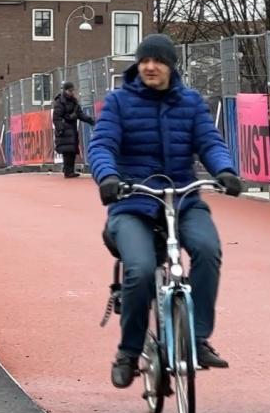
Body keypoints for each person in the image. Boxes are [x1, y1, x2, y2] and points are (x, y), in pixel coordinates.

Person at [88, 33, 245, 388]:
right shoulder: (118, 103)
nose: (150, 67)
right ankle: (128, 352)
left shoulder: (190, 103)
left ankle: (198, 337)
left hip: (183, 199)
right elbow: (102, 145)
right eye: (144, 60)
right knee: (141, 269)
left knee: (207, 249)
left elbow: (209, 142)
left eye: (158, 61)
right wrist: (108, 177)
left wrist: (225, 170)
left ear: (172, 66)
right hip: (133, 202)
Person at [52, 82, 95, 178]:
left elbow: (80, 114)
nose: (71, 92)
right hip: (64, 130)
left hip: (72, 129)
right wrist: (60, 129)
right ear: (65, 90)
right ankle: (68, 171)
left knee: (72, 150)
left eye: (72, 90)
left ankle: (70, 170)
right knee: (67, 151)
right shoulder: (60, 102)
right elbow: (56, 117)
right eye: (69, 91)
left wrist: (91, 121)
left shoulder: (74, 101)